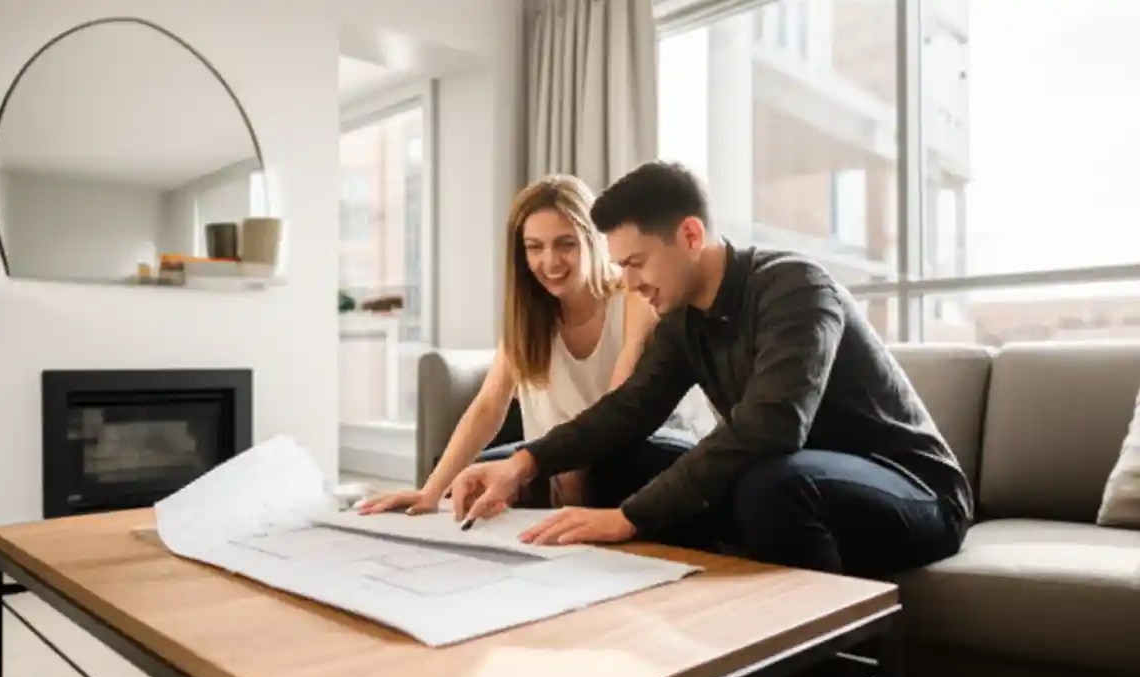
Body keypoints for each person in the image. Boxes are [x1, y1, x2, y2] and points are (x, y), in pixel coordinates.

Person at [450, 161, 973, 578]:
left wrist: (629, 517)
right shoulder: (683, 320)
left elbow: (773, 426)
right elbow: (628, 410)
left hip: (917, 493)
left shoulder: (797, 288)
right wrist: (523, 462)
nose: (628, 284)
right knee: (623, 460)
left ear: (691, 236)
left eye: (636, 263)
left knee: (770, 483)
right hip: (803, 480)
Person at [359, 174, 664, 515]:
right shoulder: (528, 315)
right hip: (545, 461)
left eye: (566, 243)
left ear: (592, 239)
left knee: (600, 475)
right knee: (465, 488)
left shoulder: (633, 298)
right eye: (535, 247)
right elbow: (489, 405)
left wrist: (574, 467)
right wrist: (431, 490)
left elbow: (615, 409)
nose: (550, 262)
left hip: (616, 452)